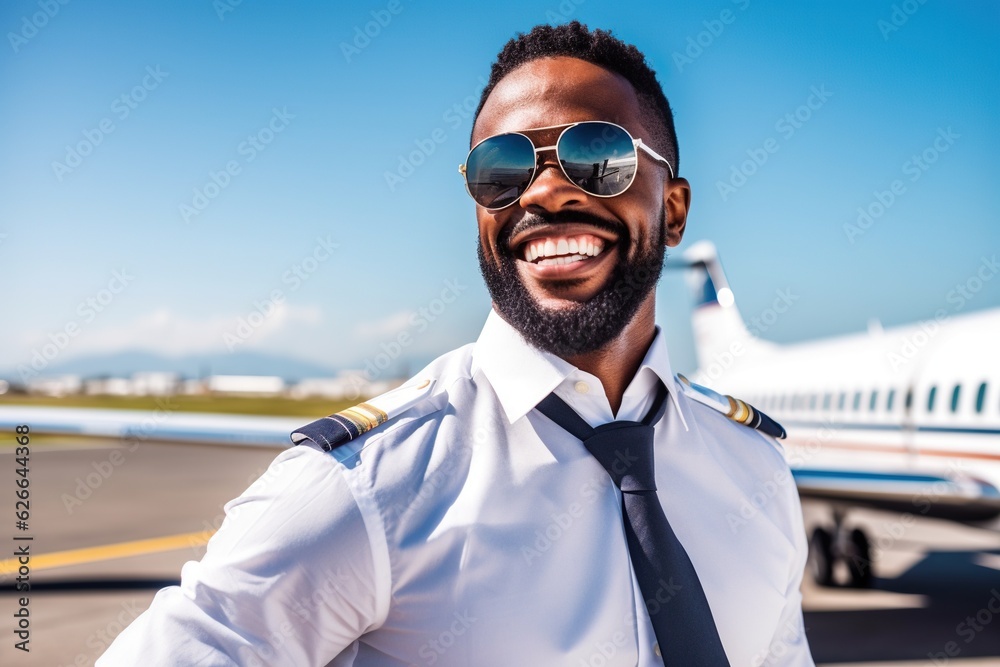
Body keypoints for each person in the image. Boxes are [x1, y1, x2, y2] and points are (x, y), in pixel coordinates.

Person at [100, 21, 813, 666]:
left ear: (675, 208)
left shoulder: (757, 472)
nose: (541, 193)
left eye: (597, 156)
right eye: (501, 170)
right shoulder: (364, 487)